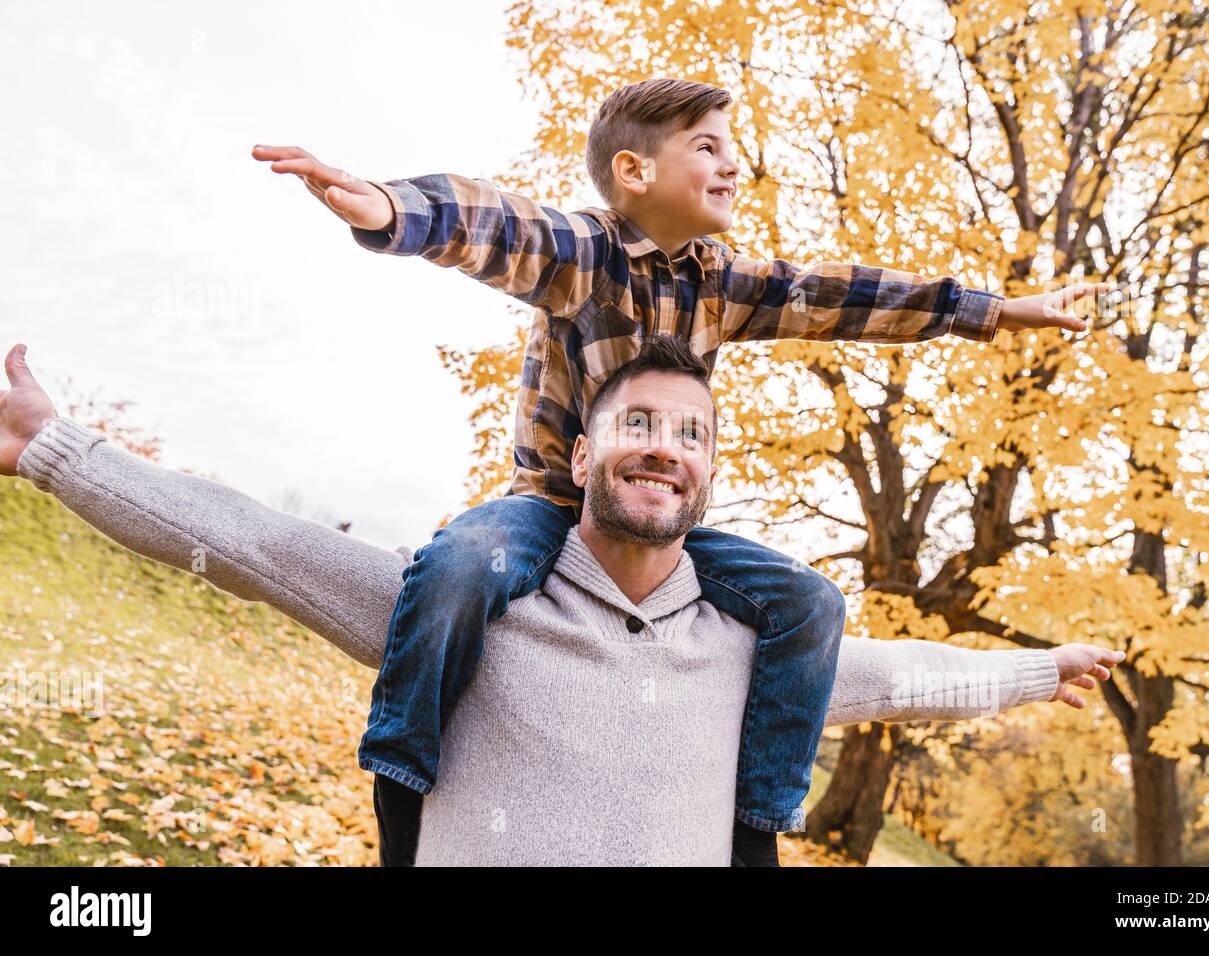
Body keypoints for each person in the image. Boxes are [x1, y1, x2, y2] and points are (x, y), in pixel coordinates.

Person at [249, 77, 1114, 854]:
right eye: (708, 148)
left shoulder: (726, 283)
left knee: (810, 602)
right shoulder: (578, 254)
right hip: (552, 509)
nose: (733, 167)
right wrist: (393, 212)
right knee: (461, 564)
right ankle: (403, 777)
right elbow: (495, 221)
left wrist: (1000, 311)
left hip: (662, 530)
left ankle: (755, 823)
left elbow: (844, 295)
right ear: (632, 171)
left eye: (731, 150)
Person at [1, 340, 1123, 866]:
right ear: (582, 451)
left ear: (710, 475)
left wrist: (1041, 667)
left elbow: (895, 675)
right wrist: (52, 447)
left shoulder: (750, 644)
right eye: (640, 422)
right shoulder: (465, 600)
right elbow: (248, 539)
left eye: (693, 434)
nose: (664, 449)